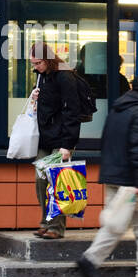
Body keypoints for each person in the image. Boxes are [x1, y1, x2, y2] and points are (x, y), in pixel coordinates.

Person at [75, 75, 138, 277]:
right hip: (133, 181)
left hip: (113, 177)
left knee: (115, 223)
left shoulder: (116, 109)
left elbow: (106, 141)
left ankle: (91, 260)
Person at [29, 43, 84, 239]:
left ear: (48, 60)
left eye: (38, 63)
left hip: (61, 139)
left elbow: (72, 111)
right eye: (33, 63)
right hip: (45, 138)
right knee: (40, 180)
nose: (35, 67)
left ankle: (56, 227)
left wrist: (68, 144)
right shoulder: (41, 76)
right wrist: (34, 96)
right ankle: (45, 221)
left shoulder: (64, 76)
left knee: (57, 181)